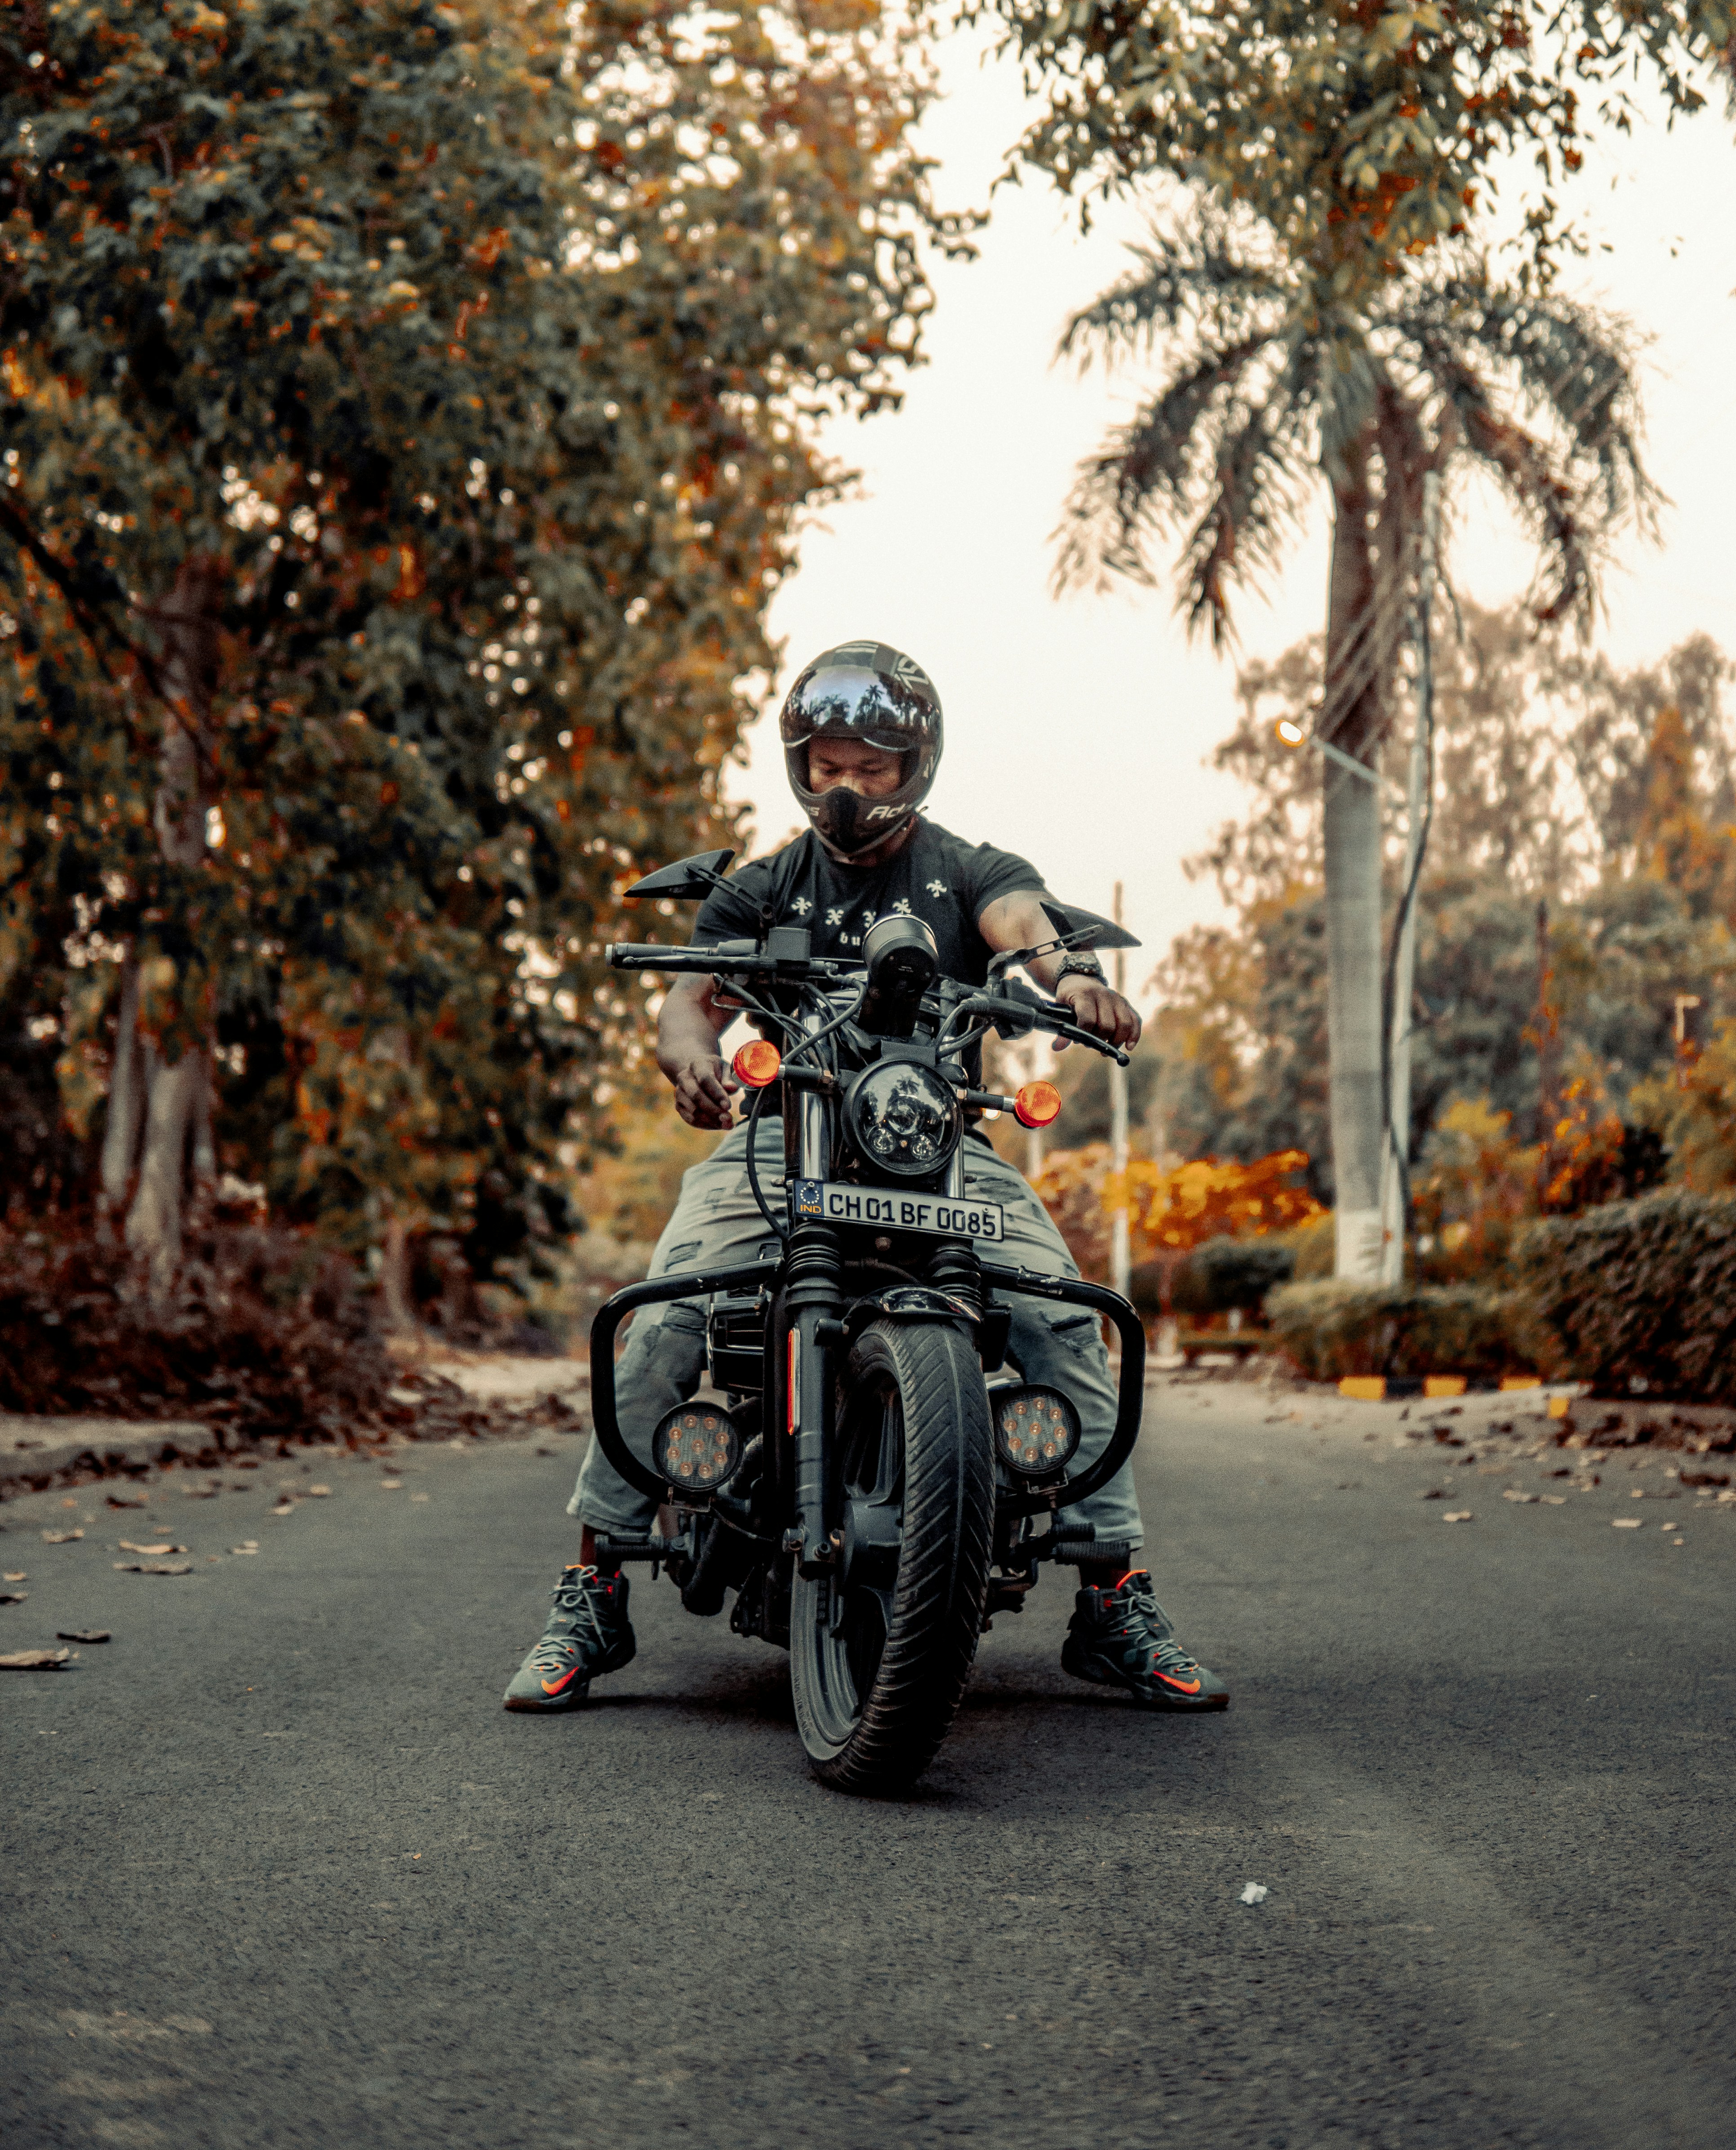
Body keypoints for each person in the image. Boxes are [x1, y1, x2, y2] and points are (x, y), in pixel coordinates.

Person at [503, 642, 1229, 1717]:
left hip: (943, 1146)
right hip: (778, 1138)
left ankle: (1111, 1593)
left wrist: (1068, 974)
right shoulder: (760, 888)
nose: (847, 789)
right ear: (800, 763)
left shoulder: (965, 871)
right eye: (828, 764)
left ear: (915, 763)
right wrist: (691, 1058)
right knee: (659, 1323)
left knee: (1064, 1322)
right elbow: (690, 1001)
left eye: (873, 767)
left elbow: (1022, 929)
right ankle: (593, 1584)